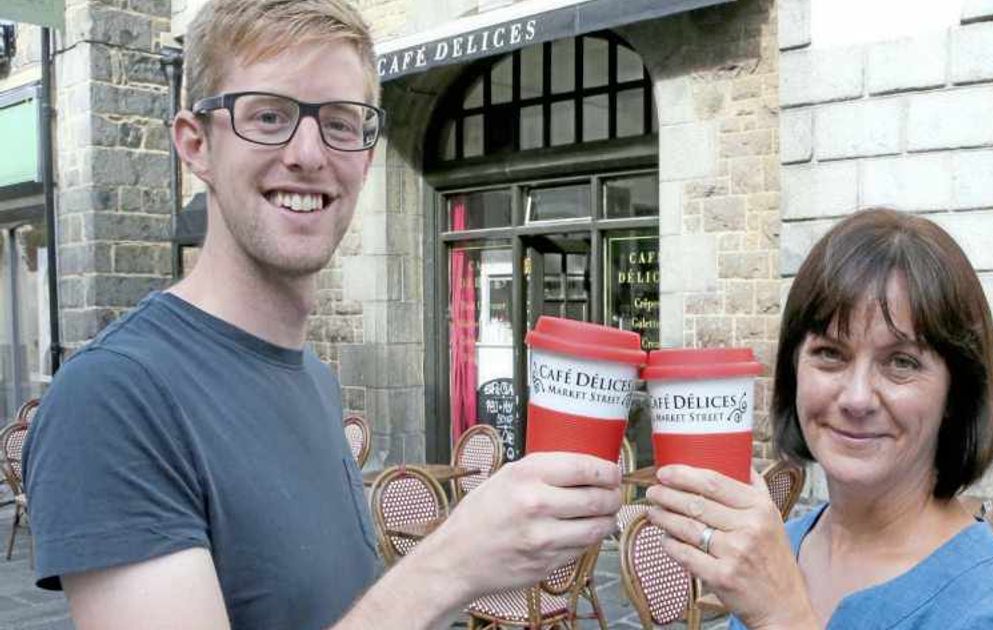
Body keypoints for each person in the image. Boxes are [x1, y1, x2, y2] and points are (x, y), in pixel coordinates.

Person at [22, 1, 622, 628]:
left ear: (365, 157)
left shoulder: (312, 377)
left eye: (340, 123)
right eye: (269, 116)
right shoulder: (113, 398)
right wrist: (450, 563)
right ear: (195, 144)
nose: (308, 153)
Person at [645, 208, 993, 628]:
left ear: (956, 392)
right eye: (830, 354)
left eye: (902, 362)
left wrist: (783, 616)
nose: (857, 399)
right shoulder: (780, 547)